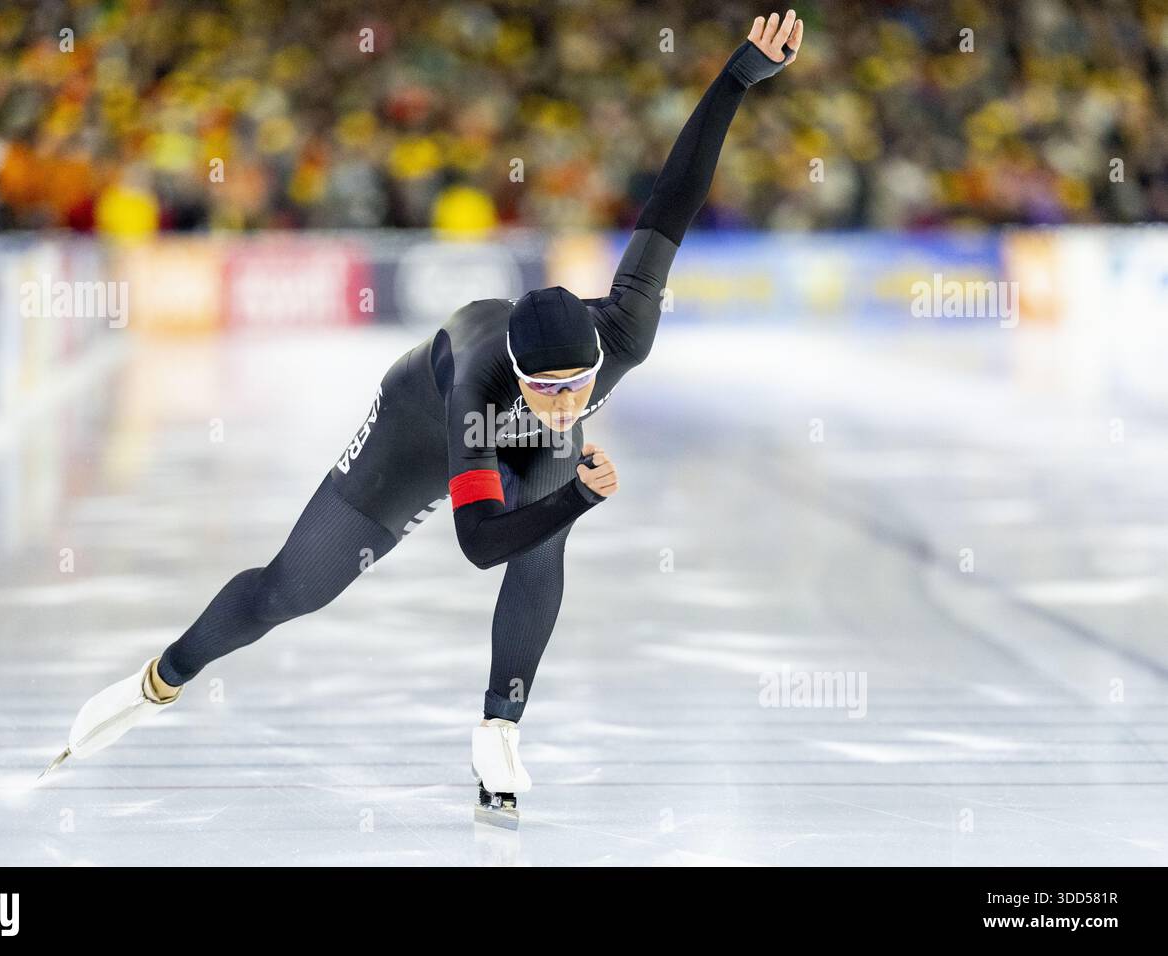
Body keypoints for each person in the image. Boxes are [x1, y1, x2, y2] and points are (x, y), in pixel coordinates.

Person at [43, 11, 806, 826]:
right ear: (516, 372)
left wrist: (736, 77)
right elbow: (477, 545)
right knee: (291, 592)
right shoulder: (479, 389)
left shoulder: (624, 329)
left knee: (546, 522)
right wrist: (580, 496)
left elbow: (671, 203)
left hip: (509, 429)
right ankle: (161, 677)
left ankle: (499, 730)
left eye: (579, 387)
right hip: (419, 419)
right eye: (547, 392)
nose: (566, 405)